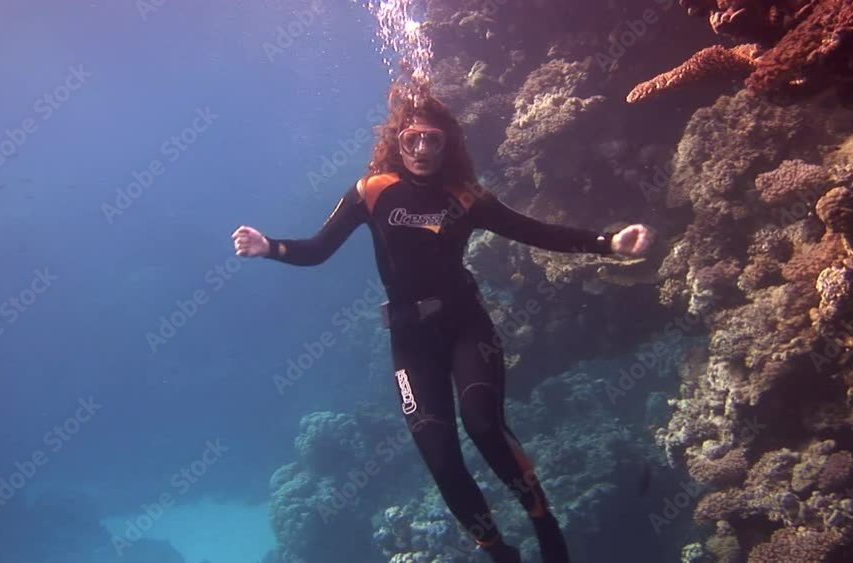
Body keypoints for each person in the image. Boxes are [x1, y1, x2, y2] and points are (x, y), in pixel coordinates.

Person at [232, 83, 653, 563]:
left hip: (466, 328)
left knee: (483, 426)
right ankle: (497, 550)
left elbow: (533, 230)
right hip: (410, 341)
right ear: (397, 140)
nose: (423, 149)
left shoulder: (466, 195)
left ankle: (544, 522)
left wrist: (606, 243)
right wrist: (272, 247)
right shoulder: (371, 191)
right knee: (440, 458)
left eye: (434, 139)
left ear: (448, 143)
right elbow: (318, 249)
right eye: (412, 139)